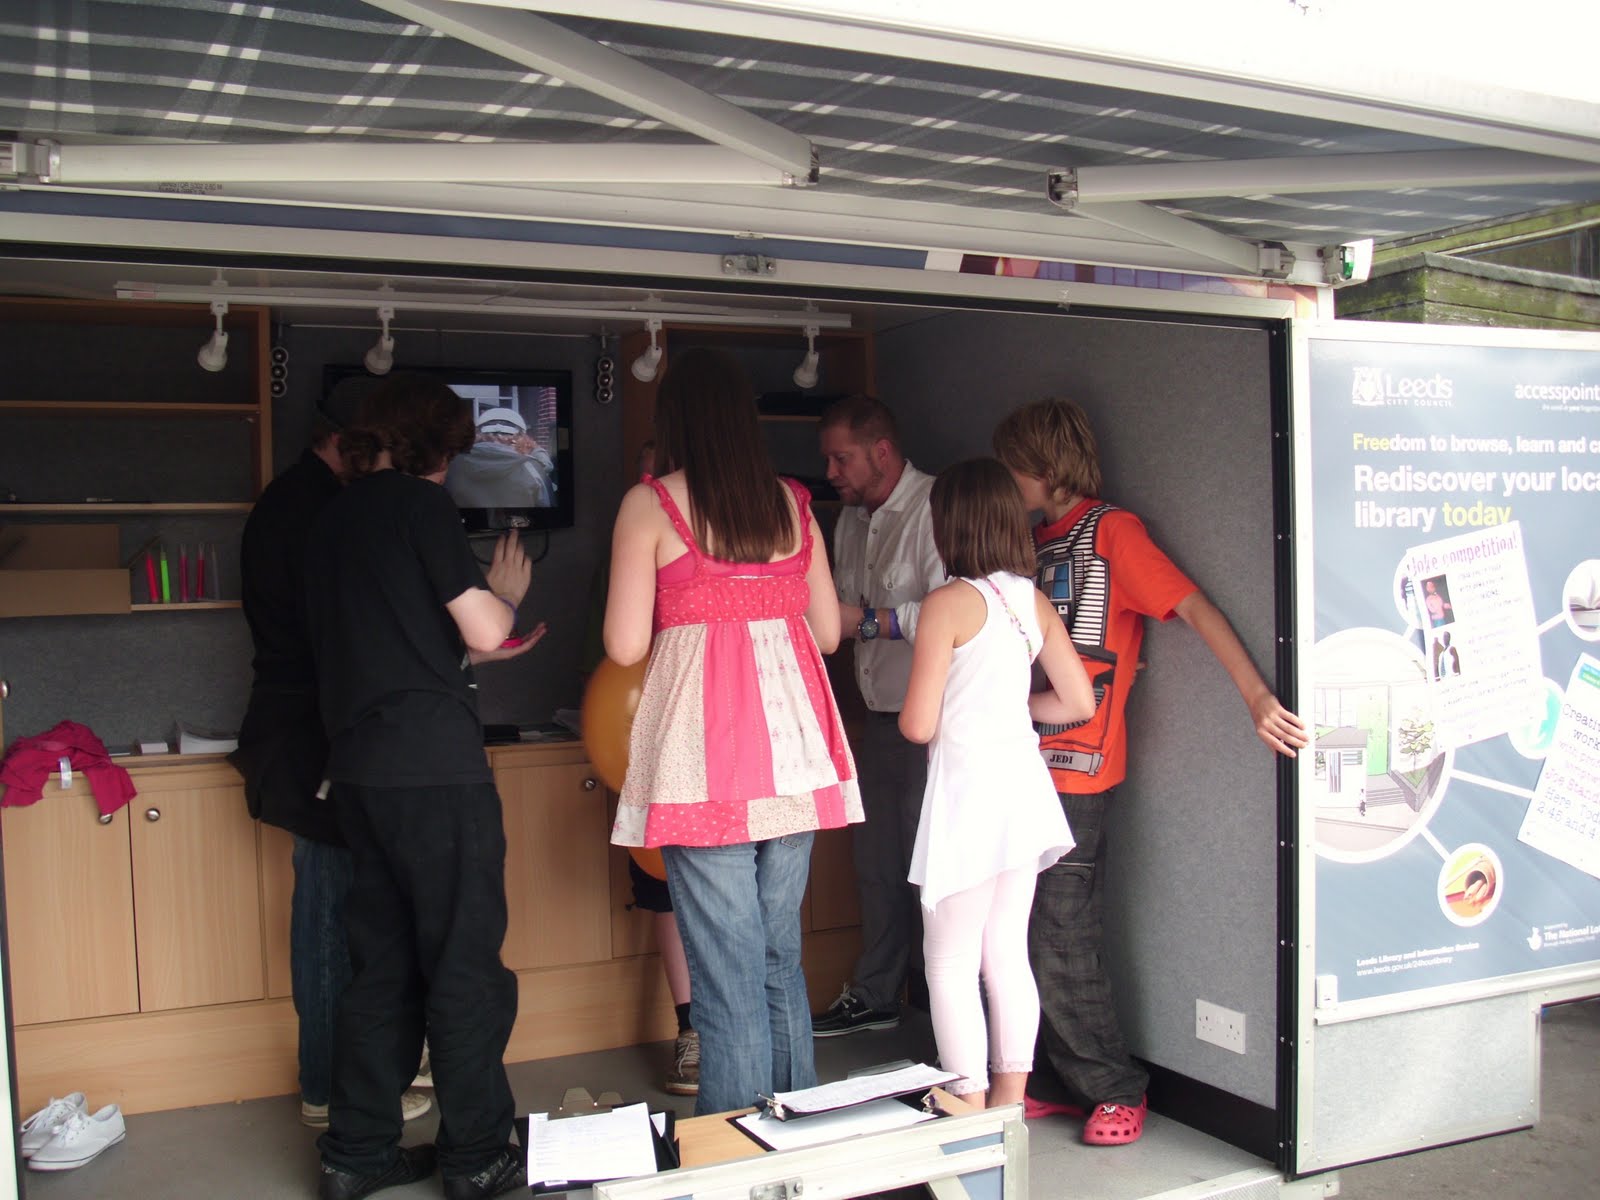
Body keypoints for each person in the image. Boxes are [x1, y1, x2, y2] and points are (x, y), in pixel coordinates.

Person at [992, 398, 1307, 1146]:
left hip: (1082, 765)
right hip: (1021, 760)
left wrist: (1257, 695)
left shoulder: (1112, 534)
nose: (1006, 482)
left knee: (1062, 931)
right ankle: (1055, 1077)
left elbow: (1193, 608)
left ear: (1041, 469)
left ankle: (1112, 1087)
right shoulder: (1035, 540)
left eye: (1011, 468)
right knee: (1018, 930)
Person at [305, 373, 546, 1200]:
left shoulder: (330, 520)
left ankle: (356, 1154)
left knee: (380, 969)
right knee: (464, 966)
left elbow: (391, 645)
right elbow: (483, 624)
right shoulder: (419, 507)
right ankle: (478, 1154)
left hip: (360, 773)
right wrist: (505, 598)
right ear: (438, 448)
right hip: (436, 774)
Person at [606, 348, 862, 1117]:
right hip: (794, 752)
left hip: (703, 760)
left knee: (725, 968)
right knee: (778, 954)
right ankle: (798, 1143)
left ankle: (736, 1159)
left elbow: (622, 645)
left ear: (674, 421)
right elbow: (825, 633)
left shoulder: (651, 505)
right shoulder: (791, 503)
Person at [229, 390, 432, 1131]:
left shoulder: (302, 501)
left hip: (307, 728)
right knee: (326, 915)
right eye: (380, 449)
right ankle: (327, 1085)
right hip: (314, 734)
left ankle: (351, 1072)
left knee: (339, 906)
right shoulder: (316, 512)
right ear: (347, 442)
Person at [899, 458, 1096, 1109]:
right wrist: (1015, 712)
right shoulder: (1029, 600)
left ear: (948, 525)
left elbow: (918, 724)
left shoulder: (947, 604)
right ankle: (1011, 1101)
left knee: (949, 962)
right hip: (1023, 795)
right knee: (1006, 955)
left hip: (966, 800)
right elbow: (1078, 701)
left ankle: (966, 1103)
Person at [812, 395, 946, 1037]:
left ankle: (944, 1012)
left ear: (883, 452)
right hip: (873, 719)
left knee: (934, 872)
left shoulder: (935, 509)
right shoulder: (848, 522)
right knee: (875, 866)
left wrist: (863, 620)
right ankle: (877, 994)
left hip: (936, 723)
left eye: (842, 458)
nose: (832, 472)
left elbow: (958, 612)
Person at [584, 440, 700, 1098]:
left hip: (718, 742)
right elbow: (609, 655)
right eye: (646, 471)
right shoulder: (629, 538)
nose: (653, 482)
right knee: (663, 886)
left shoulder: (722, 539)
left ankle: (738, 1024)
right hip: (643, 739)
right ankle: (693, 1030)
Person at [445, 405, 554, 509]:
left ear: (478, 434)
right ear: (520, 436)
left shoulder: (450, 466)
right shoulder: (533, 469)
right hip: (518, 527)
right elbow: (547, 514)